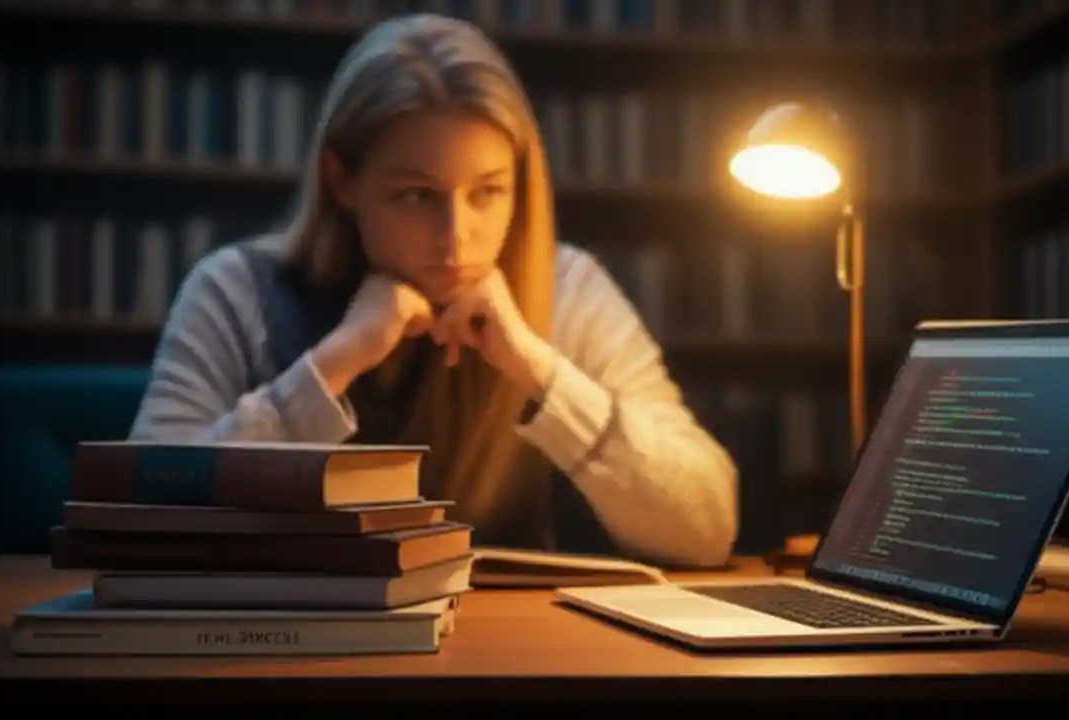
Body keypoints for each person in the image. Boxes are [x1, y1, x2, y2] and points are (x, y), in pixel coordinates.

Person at [127, 13, 738, 568]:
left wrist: (535, 367)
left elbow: (706, 529)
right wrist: (334, 364)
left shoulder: (567, 288)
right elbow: (136, 523)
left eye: (488, 192)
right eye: (418, 196)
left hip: (502, 659)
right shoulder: (235, 290)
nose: (456, 239)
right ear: (343, 181)